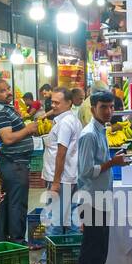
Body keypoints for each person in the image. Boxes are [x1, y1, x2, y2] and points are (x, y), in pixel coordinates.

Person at [75, 90, 129, 264]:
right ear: (93, 109)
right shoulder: (89, 134)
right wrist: (112, 163)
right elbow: (86, 171)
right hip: (91, 200)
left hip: (101, 199)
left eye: (111, 107)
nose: (108, 111)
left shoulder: (101, 131)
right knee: (92, 250)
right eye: (103, 107)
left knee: (100, 249)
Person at [0, 78, 41, 243]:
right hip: (14, 163)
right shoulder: (0, 112)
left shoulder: (6, 108)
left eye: (8, 88)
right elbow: (8, 138)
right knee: (17, 204)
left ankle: (7, 239)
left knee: (11, 202)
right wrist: (27, 129)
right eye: (3, 91)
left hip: (17, 163)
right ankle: (17, 240)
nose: (8, 92)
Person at [42, 88, 82, 231]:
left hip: (61, 179)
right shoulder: (71, 119)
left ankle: (52, 253)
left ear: (69, 103)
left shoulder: (65, 123)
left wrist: (56, 182)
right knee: (70, 219)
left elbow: (61, 153)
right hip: (69, 177)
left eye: (57, 103)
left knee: (54, 221)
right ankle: (71, 252)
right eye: (52, 102)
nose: (53, 105)